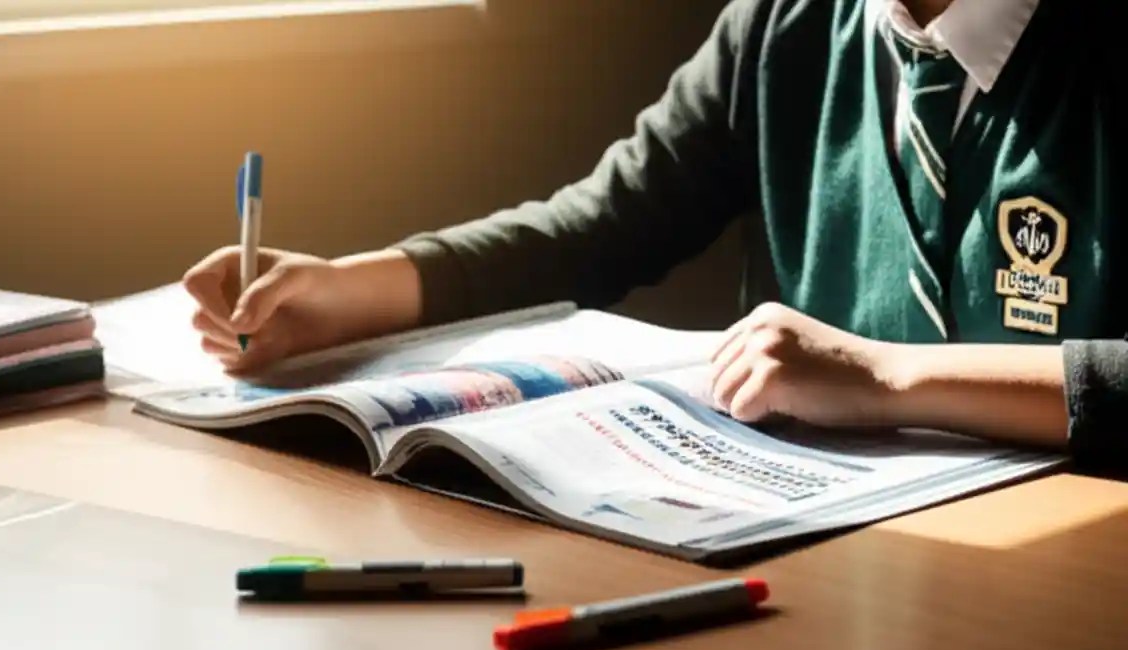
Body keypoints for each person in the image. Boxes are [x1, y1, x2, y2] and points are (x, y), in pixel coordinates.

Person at [183, 0, 1125, 467]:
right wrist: (352, 293)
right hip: (839, 550)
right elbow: (600, 226)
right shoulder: (788, 27)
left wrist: (887, 379)